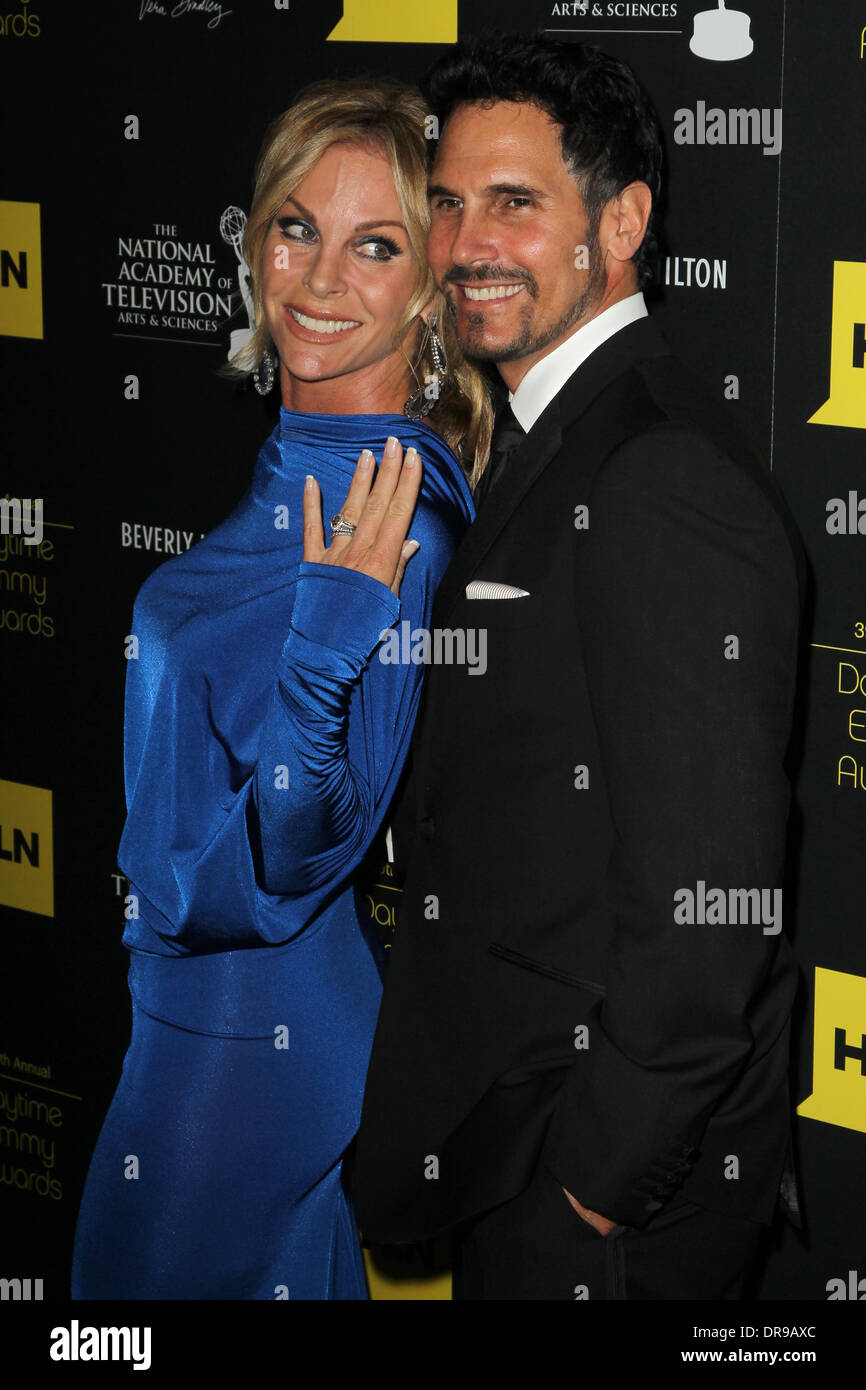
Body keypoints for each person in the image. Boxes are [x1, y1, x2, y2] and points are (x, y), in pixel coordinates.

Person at [353, 35, 806, 1300]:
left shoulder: (655, 472)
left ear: (620, 224)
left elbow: (707, 919)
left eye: (512, 202)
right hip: (519, 1135)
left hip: (605, 1200)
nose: (462, 244)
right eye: (445, 203)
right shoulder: (548, 431)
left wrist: (592, 1195)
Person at [70, 77, 487, 1300]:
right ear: (252, 242)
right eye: (296, 227)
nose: (317, 279)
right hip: (191, 1003)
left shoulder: (391, 510)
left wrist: (323, 651)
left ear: (426, 290)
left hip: (255, 1027)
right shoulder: (309, 458)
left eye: (375, 246)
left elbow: (312, 839)